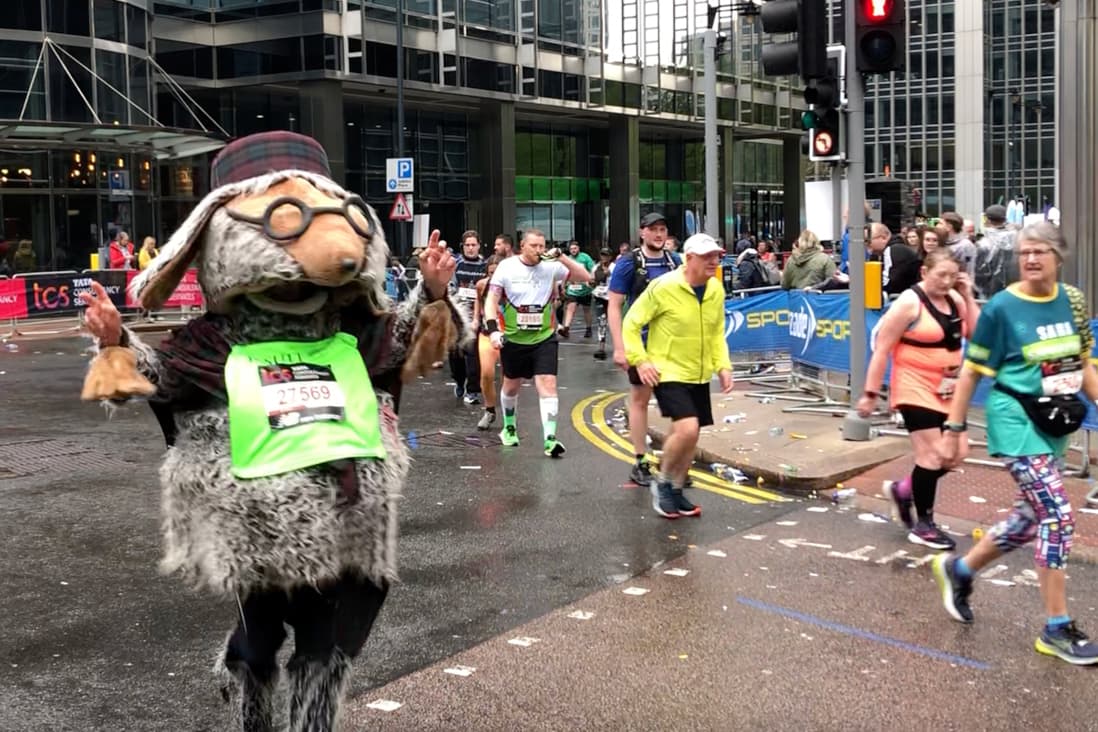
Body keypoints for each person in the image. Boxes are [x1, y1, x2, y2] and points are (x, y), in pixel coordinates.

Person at [933, 221, 1098, 665]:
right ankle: (1056, 628)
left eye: (1040, 251)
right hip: (1015, 421)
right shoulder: (1002, 308)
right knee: (1059, 517)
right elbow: (970, 373)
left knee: (1030, 519)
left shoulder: (1073, 301)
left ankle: (960, 570)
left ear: (1059, 256)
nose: (1029, 259)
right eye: (1024, 251)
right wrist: (954, 428)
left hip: (1054, 422)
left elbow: (1083, 364)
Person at [856, 249, 981, 549]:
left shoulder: (956, 299)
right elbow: (882, 349)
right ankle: (924, 524)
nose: (947, 281)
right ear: (925, 273)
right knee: (933, 456)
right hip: (914, 387)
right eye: (941, 275)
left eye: (953, 276)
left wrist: (968, 294)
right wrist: (870, 394)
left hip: (949, 390)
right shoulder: (909, 303)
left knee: (957, 453)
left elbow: (977, 335)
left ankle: (903, 490)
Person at [623, 233, 733, 519]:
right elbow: (631, 324)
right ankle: (662, 483)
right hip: (667, 369)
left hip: (698, 372)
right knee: (687, 429)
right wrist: (641, 361)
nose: (714, 261)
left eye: (716, 256)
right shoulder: (664, 286)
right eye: (707, 257)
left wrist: (723, 366)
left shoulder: (715, 290)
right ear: (690, 258)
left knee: (689, 436)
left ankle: (676, 488)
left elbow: (716, 332)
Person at [483, 228, 592, 456]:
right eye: (534, 246)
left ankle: (550, 439)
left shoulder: (551, 266)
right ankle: (509, 428)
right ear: (522, 246)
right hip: (513, 338)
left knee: (548, 384)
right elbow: (491, 301)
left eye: (542, 246)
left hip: (544, 337)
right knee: (511, 385)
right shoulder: (507, 267)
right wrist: (493, 330)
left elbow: (585, 277)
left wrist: (561, 256)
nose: (539, 250)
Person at [607, 212, 682, 486]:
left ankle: (673, 463)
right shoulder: (629, 264)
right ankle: (640, 462)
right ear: (642, 233)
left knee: (679, 404)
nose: (659, 234)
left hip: (672, 345)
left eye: (663, 229)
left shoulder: (675, 262)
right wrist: (619, 347)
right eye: (653, 230)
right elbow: (614, 306)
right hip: (641, 344)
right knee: (640, 399)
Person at [450, 230, 487, 404]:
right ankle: (459, 381)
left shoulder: (484, 266)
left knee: (474, 356)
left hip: (476, 318)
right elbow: (449, 289)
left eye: (473, 245)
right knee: (456, 356)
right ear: (462, 246)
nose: (471, 248)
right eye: (467, 245)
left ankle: (472, 390)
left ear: (479, 245)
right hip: (457, 317)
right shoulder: (456, 265)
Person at [472, 256, 504, 430]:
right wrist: (476, 318)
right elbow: (479, 299)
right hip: (487, 333)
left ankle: (508, 411)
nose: (494, 276)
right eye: (491, 272)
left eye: (497, 272)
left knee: (509, 377)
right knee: (486, 374)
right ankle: (490, 410)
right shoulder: (482, 285)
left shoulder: (511, 285)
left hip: (508, 334)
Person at [560, 240, 596, 338]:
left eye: (575, 248)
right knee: (570, 308)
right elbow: (564, 274)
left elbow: (592, 270)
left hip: (585, 290)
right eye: (571, 249)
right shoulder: (568, 259)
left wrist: (590, 281)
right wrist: (563, 286)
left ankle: (588, 329)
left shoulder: (585, 257)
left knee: (586, 310)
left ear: (578, 248)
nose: (573, 250)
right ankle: (566, 328)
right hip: (572, 290)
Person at [591, 247, 614, 360]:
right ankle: (601, 348)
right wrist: (591, 283)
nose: (604, 257)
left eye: (606, 255)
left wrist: (609, 275)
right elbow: (592, 280)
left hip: (612, 298)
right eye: (602, 255)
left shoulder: (614, 268)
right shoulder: (596, 267)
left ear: (610, 257)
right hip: (599, 296)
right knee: (601, 321)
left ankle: (622, 346)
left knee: (615, 322)